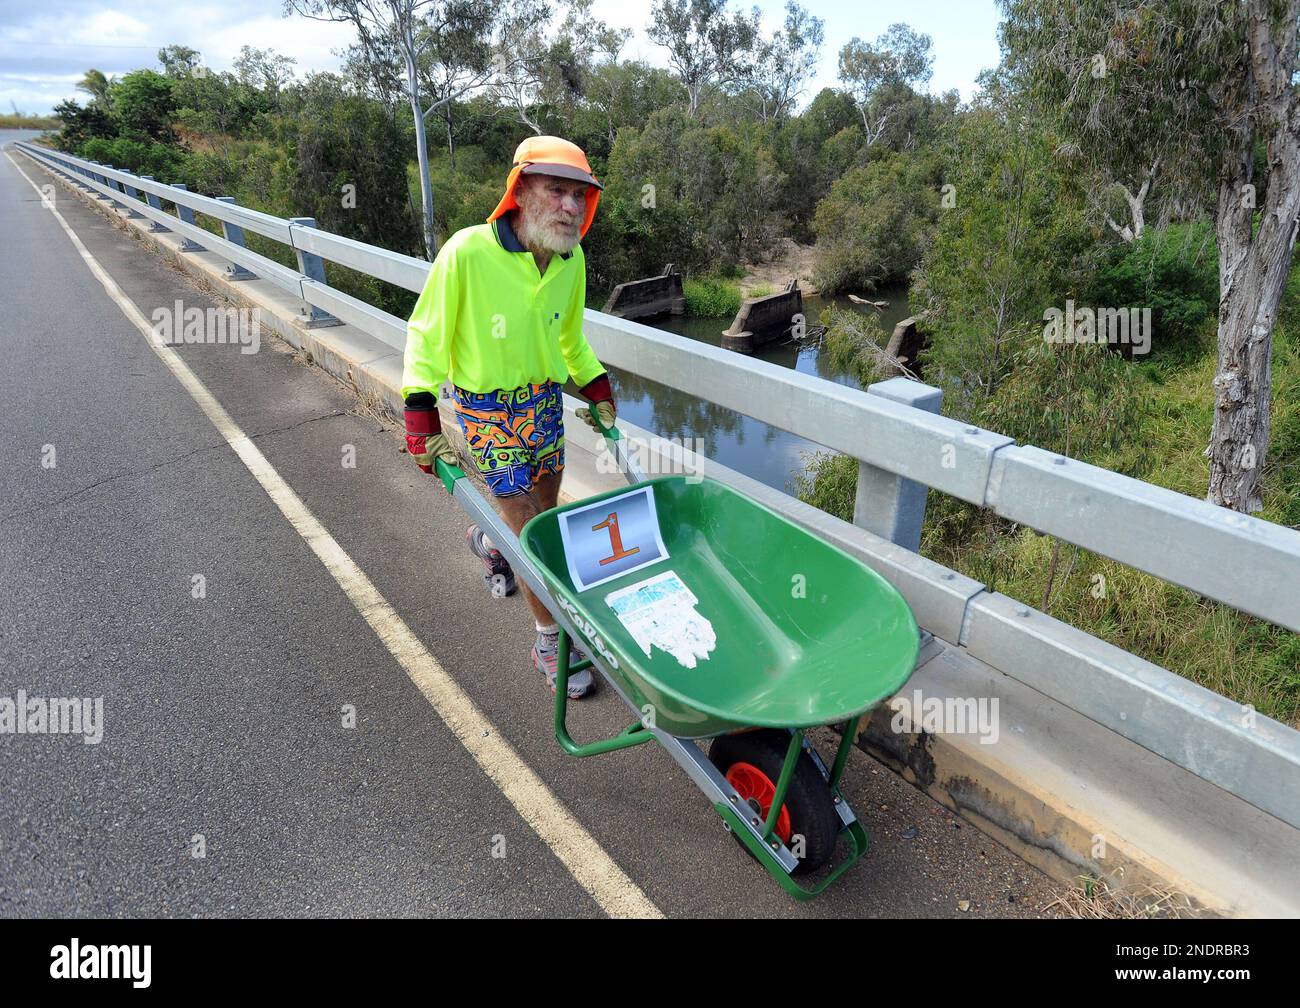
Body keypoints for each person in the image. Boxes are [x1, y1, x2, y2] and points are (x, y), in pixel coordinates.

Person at [401, 136, 616, 699]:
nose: (571, 206)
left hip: (544, 402)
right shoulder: (468, 252)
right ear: (520, 190)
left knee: (545, 509)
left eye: (580, 195)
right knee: (534, 536)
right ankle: (550, 640)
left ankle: (490, 541)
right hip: (487, 409)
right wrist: (419, 409)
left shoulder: (572, 262)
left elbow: (569, 337)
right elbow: (427, 332)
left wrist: (594, 383)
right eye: (557, 191)